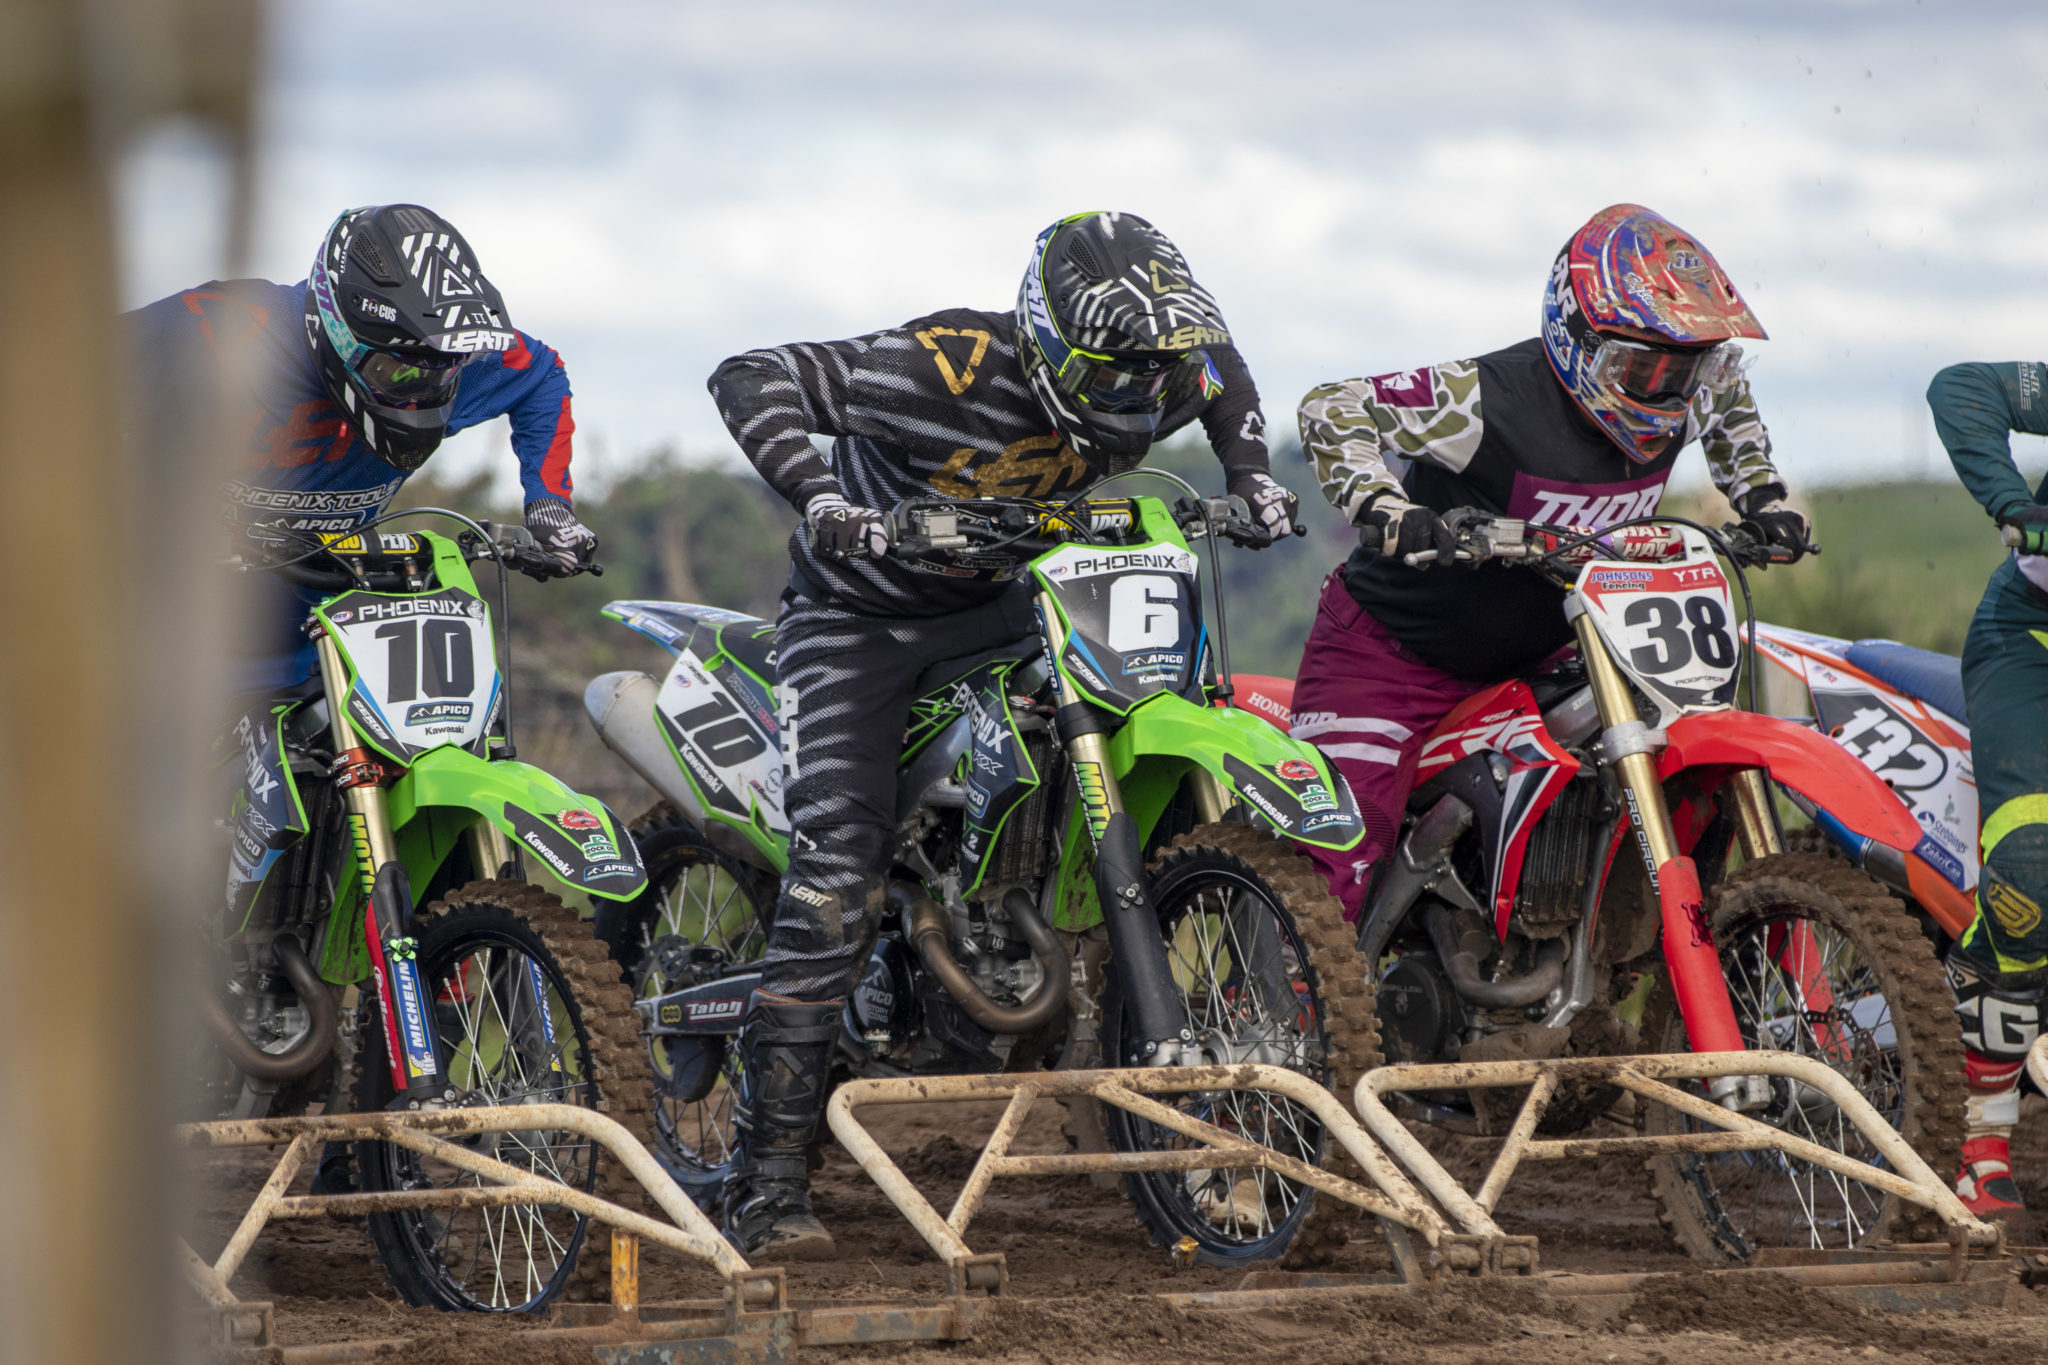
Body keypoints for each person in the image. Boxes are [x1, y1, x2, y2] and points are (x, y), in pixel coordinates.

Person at [706, 210, 1297, 1258]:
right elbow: (750, 375)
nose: (1136, 398)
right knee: (837, 864)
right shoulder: (945, 366)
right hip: (859, 621)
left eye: (1149, 376)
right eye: (1109, 375)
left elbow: (1220, 374)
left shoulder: (1162, 366)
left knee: (1121, 747)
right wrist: (827, 499)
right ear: (1050, 341)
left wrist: (1248, 474)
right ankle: (765, 1181)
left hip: (1018, 599)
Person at [1290, 203, 1813, 922]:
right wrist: (1385, 506)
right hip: (1391, 657)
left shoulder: (1691, 396)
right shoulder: (1487, 399)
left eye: (1685, 368)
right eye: (1642, 366)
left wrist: (1762, 496)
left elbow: (1729, 403)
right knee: (1340, 858)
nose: (1667, 389)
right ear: (1577, 337)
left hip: (1553, 654)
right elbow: (1333, 406)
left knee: (1624, 790)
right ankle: (1288, 987)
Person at [127, 202, 599, 697]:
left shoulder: (451, 353)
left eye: (441, 374)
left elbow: (541, 373)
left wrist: (549, 505)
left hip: (318, 638)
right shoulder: (217, 331)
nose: (418, 393)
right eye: (397, 372)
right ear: (337, 330)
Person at [1926, 359, 2048, 1218]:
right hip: (2030, 640)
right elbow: (1962, 387)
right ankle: (1982, 1144)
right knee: (2030, 870)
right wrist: (2014, 504)